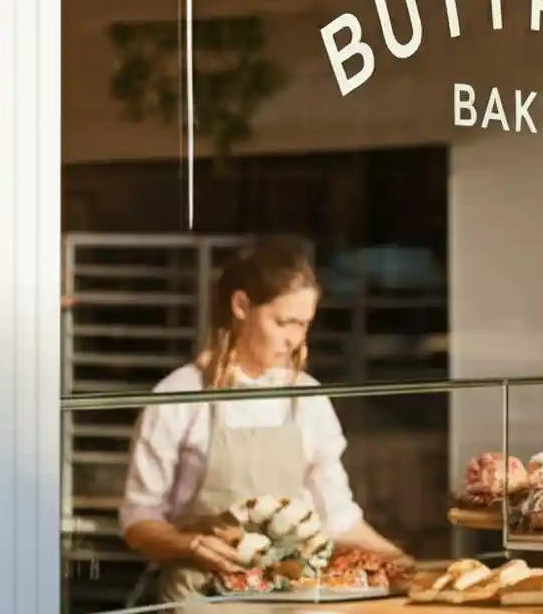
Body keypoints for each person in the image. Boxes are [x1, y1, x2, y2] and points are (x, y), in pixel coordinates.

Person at [119, 236, 408, 602]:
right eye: (284, 322)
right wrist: (189, 545)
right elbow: (138, 521)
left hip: (292, 600)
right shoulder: (180, 396)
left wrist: (404, 564)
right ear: (241, 306)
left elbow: (337, 518)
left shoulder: (307, 397)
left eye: (304, 325)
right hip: (205, 598)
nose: (295, 340)